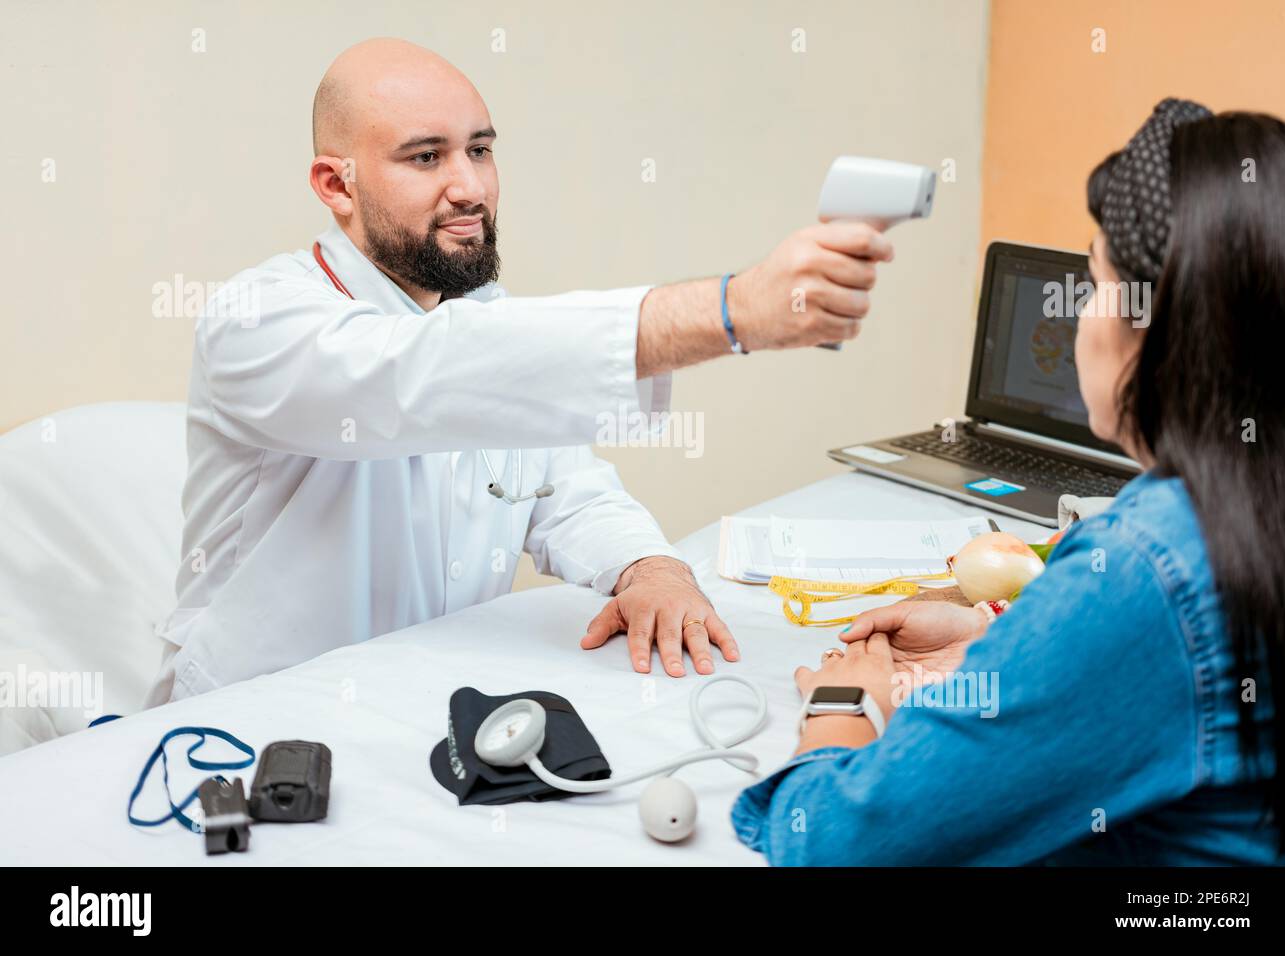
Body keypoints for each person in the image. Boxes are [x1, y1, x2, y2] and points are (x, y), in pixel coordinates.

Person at [145, 38, 892, 703]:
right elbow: (411, 379)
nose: (470, 187)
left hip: (423, 700)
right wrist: (730, 312)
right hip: (253, 718)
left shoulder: (480, 315)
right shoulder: (258, 319)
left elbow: (564, 488)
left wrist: (647, 567)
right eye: (425, 157)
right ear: (336, 185)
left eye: (480, 149)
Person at [732, 98, 1285, 865]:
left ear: (1162, 329)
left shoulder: (1146, 568)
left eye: (1093, 285)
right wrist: (1000, 639)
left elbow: (838, 842)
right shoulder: (1253, 502)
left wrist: (842, 702)